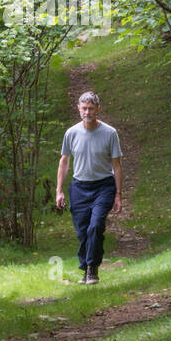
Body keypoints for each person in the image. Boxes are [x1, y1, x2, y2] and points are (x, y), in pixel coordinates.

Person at [54, 91, 123, 284]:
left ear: (98, 109)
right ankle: (86, 268)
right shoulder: (71, 133)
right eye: (84, 108)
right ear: (78, 109)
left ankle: (92, 268)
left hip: (103, 186)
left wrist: (118, 194)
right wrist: (59, 190)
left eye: (91, 108)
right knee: (83, 231)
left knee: (96, 226)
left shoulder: (110, 133)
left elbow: (117, 164)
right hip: (79, 187)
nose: (87, 112)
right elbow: (64, 162)